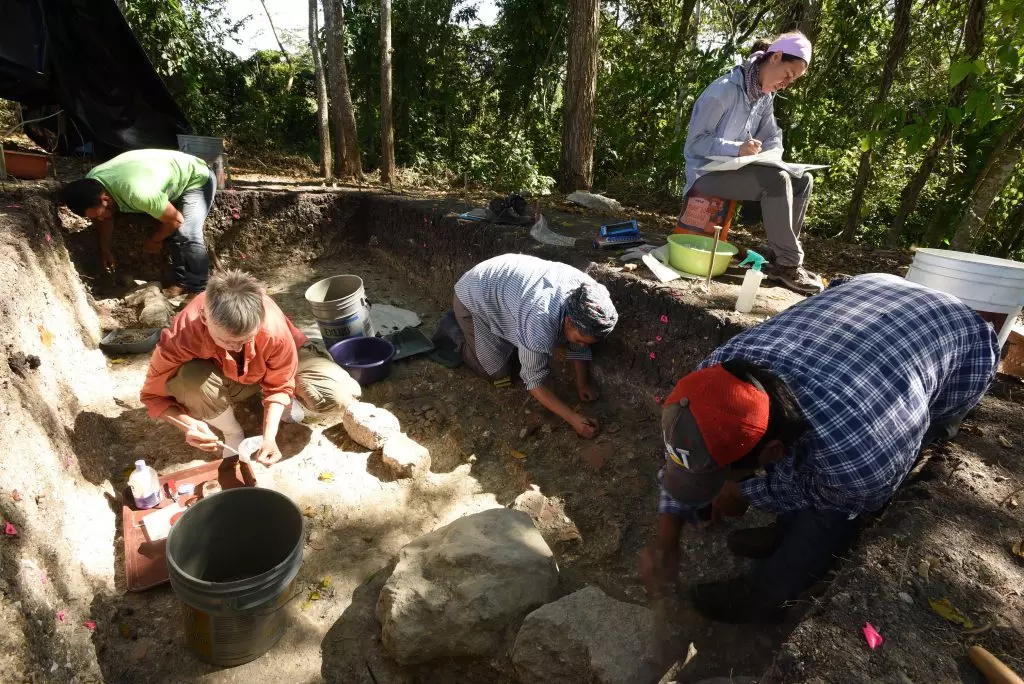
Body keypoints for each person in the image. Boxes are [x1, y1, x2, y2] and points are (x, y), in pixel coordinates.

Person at [639, 273, 999, 623]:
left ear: (772, 453)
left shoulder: (862, 454)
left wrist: (744, 491)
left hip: (963, 346)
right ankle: (784, 529)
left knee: (835, 511)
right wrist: (666, 540)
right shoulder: (713, 378)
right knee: (795, 474)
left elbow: (834, 492)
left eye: (722, 475)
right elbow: (686, 451)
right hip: (873, 294)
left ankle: (765, 595)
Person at [140, 269, 361, 465]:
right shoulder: (183, 333)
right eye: (227, 341)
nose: (237, 346)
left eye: (247, 339)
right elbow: (152, 397)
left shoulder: (273, 328)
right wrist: (186, 424)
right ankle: (232, 432)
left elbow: (281, 384)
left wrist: (269, 437)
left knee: (338, 395)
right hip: (227, 375)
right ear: (205, 320)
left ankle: (286, 403)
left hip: (275, 366)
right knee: (189, 381)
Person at [683, 31, 821, 295]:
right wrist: (738, 150)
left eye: (793, 81)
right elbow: (695, 144)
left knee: (803, 179)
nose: (786, 84)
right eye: (788, 75)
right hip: (706, 173)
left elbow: (772, 136)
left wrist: (772, 155)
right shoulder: (723, 90)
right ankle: (790, 264)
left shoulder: (764, 98)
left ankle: (780, 256)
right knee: (776, 181)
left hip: (737, 170)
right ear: (776, 57)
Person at [451, 253, 618, 439]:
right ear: (569, 321)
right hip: (474, 296)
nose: (581, 345)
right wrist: (573, 419)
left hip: (506, 291)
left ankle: (503, 338)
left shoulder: (593, 298)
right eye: (580, 339)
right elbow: (533, 382)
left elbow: (581, 343)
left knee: (529, 347)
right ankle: (454, 328)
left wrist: (582, 384)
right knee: (499, 375)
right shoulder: (540, 322)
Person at [59, 149, 216, 295]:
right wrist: (105, 248)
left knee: (187, 232)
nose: (100, 219)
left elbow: (176, 220)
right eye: (94, 217)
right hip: (167, 175)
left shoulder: (138, 193)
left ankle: (199, 290)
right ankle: (183, 283)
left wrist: (155, 240)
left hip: (196, 176)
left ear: (106, 199)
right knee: (173, 232)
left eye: (100, 214)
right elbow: (104, 219)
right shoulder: (92, 185)